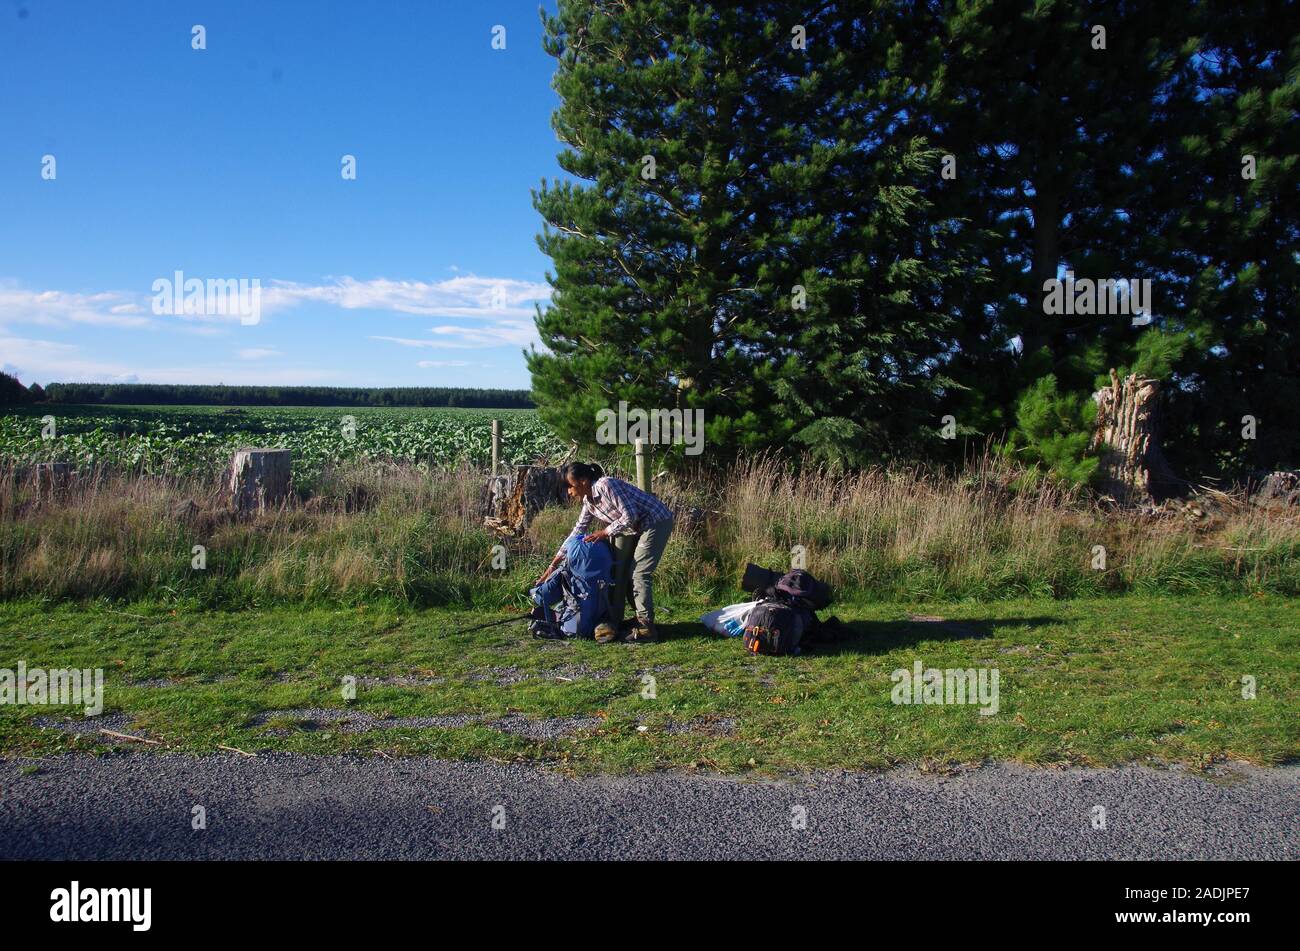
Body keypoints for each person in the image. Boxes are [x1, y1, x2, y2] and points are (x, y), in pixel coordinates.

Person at [535, 462, 674, 643]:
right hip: (634, 528)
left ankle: (647, 626)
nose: (568, 491)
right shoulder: (589, 501)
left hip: (656, 520)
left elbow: (630, 515)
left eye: (570, 486)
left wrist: (604, 532)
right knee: (619, 572)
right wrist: (553, 565)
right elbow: (577, 531)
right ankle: (618, 620)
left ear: (583, 481)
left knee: (639, 572)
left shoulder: (606, 485)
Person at [528, 534, 613, 639]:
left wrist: (536, 590)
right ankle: (602, 627)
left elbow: (546, 594)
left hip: (573, 624)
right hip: (604, 615)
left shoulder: (572, 549)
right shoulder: (603, 547)